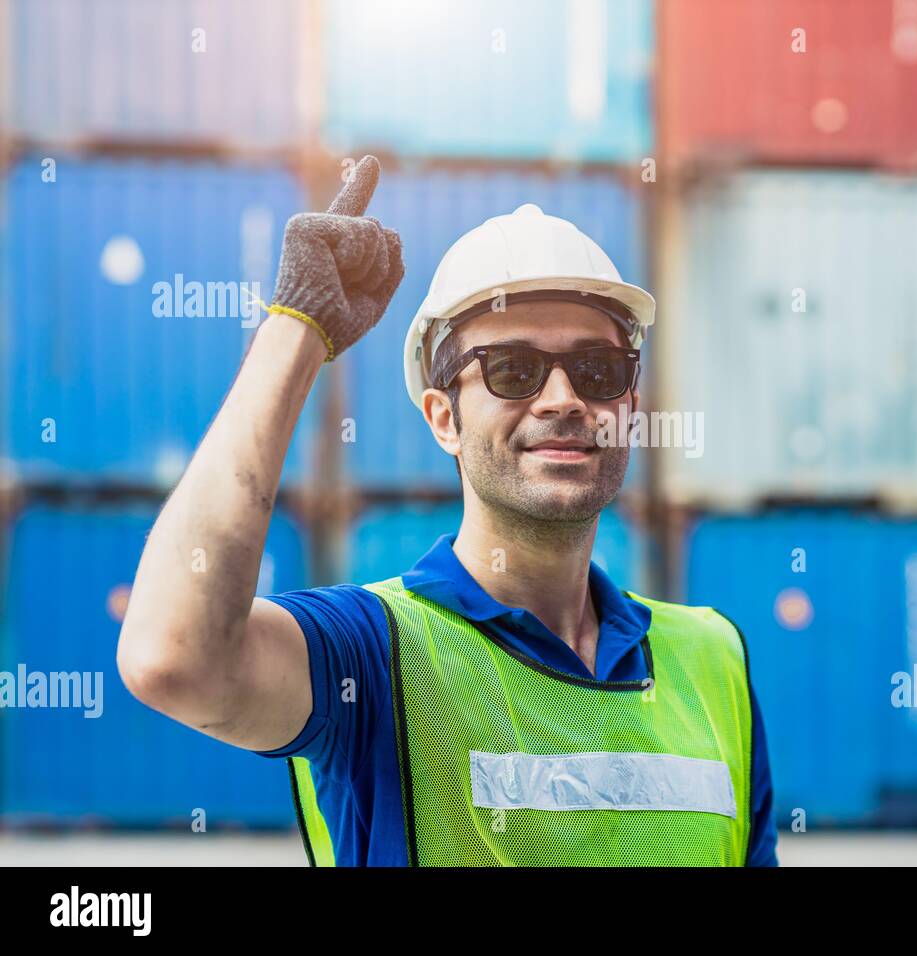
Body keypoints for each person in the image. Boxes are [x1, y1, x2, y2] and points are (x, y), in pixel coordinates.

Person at [119, 155, 778, 866]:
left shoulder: (713, 657)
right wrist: (297, 328)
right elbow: (173, 658)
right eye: (513, 370)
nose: (563, 400)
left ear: (630, 406)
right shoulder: (375, 657)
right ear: (443, 418)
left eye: (598, 371)